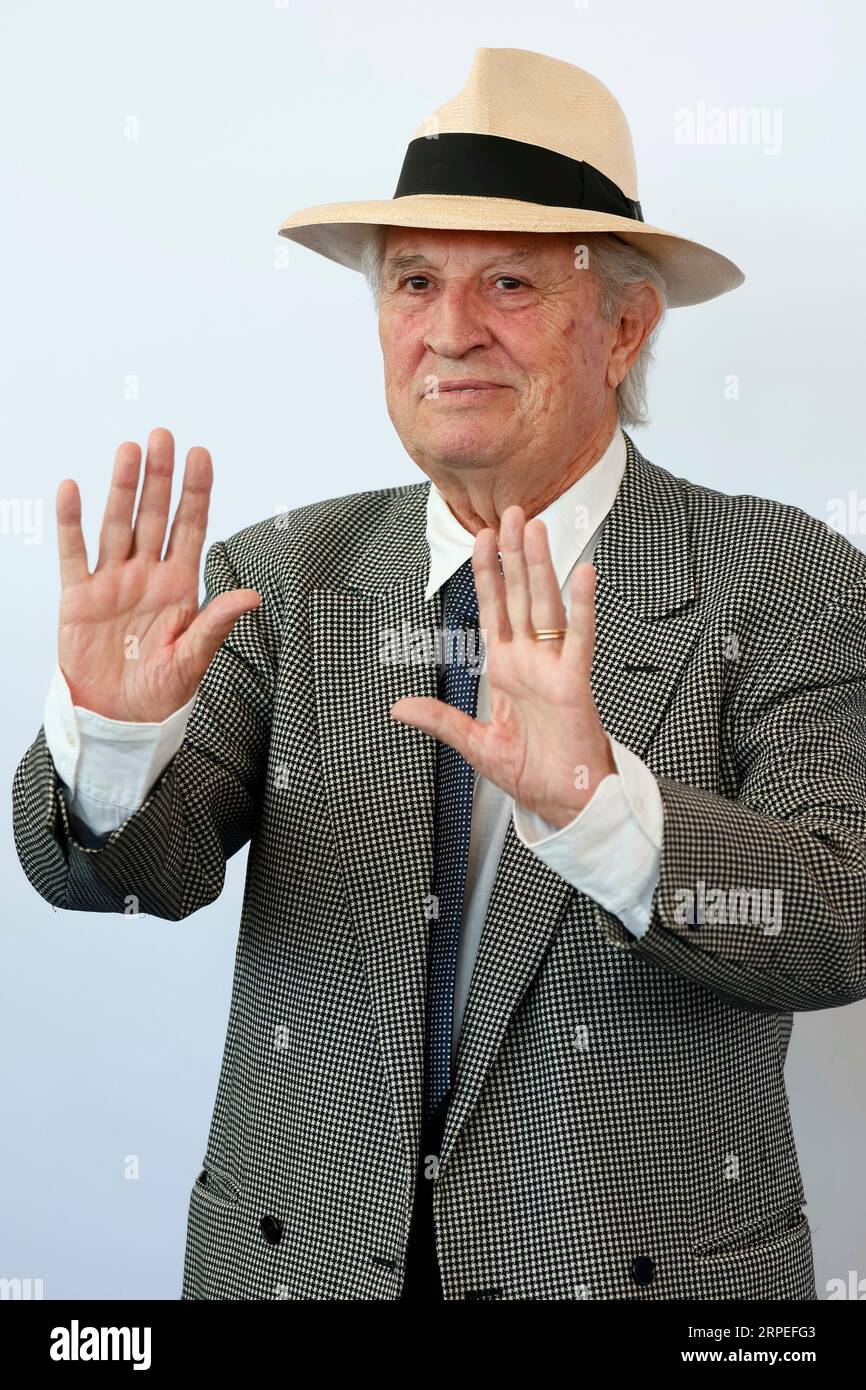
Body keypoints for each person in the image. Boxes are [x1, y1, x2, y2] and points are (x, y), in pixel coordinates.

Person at [13, 46, 866, 1301]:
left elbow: (839, 920)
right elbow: (139, 875)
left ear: (623, 324)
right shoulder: (282, 574)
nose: (448, 330)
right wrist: (113, 747)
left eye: (510, 283)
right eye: (413, 280)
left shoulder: (780, 574)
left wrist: (603, 815)